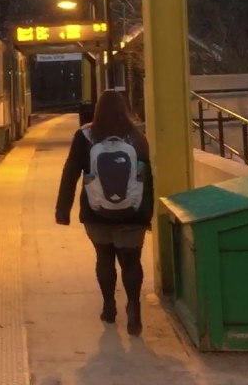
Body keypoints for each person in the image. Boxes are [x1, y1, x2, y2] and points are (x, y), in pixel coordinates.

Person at [55, 89, 155, 336]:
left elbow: (70, 173)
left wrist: (63, 210)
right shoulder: (137, 137)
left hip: (96, 212)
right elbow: (147, 178)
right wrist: (147, 213)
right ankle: (134, 310)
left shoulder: (85, 137)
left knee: (104, 258)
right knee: (131, 261)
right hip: (133, 214)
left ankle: (109, 306)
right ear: (124, 110)